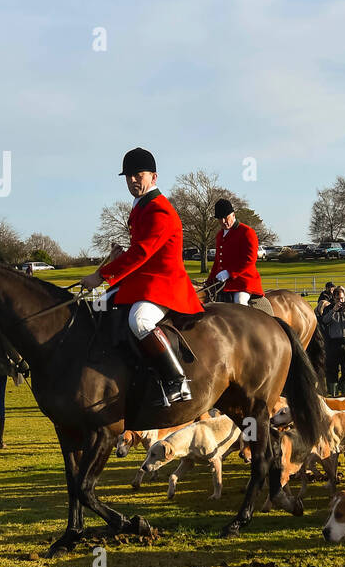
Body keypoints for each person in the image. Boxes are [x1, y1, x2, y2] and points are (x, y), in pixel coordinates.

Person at [80, 147, 203, 406]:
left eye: (139, 175)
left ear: (153, 177)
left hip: (165, 284)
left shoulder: (160, 210)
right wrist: (119, 258)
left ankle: (176, 381)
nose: (133, 180)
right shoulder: (141, 207)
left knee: (140, 321)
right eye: (128, 176)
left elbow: (142, 252)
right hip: (144, 281)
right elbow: (143, 252)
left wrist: (100, 276)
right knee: (99, 306)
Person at [205, 198, 263, 305]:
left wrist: (229, 272)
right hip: (224, 283)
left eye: (225, 218)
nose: (223, 221)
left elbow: (250, 259)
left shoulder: (247, 232)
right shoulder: (219, 235)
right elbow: (218, 262)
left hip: (244, 282)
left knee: (239, 302)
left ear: (233, 215)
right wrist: (209, 282)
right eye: (219, 219)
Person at [319, 286, 345, 395]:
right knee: (333, 370)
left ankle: (344, 394)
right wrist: (333, 310)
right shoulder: (329, 308)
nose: (340, 301)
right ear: (333, 298)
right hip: (333, 343)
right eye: (338, 299)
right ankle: (334, 394)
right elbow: (324, 321)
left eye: (342, 298)